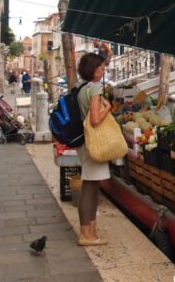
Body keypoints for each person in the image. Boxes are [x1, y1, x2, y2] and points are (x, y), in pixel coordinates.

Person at [76, 53, 111, 246]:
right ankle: (85, 234)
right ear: (93, 70)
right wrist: (109, 108)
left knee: (92, 185)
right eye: (101, 69)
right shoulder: (95, 88)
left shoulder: (82, 87)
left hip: (84, 142)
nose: (103, 71)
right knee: (89, 188)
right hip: (93, 143)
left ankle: (92, 230)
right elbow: (95, 120)